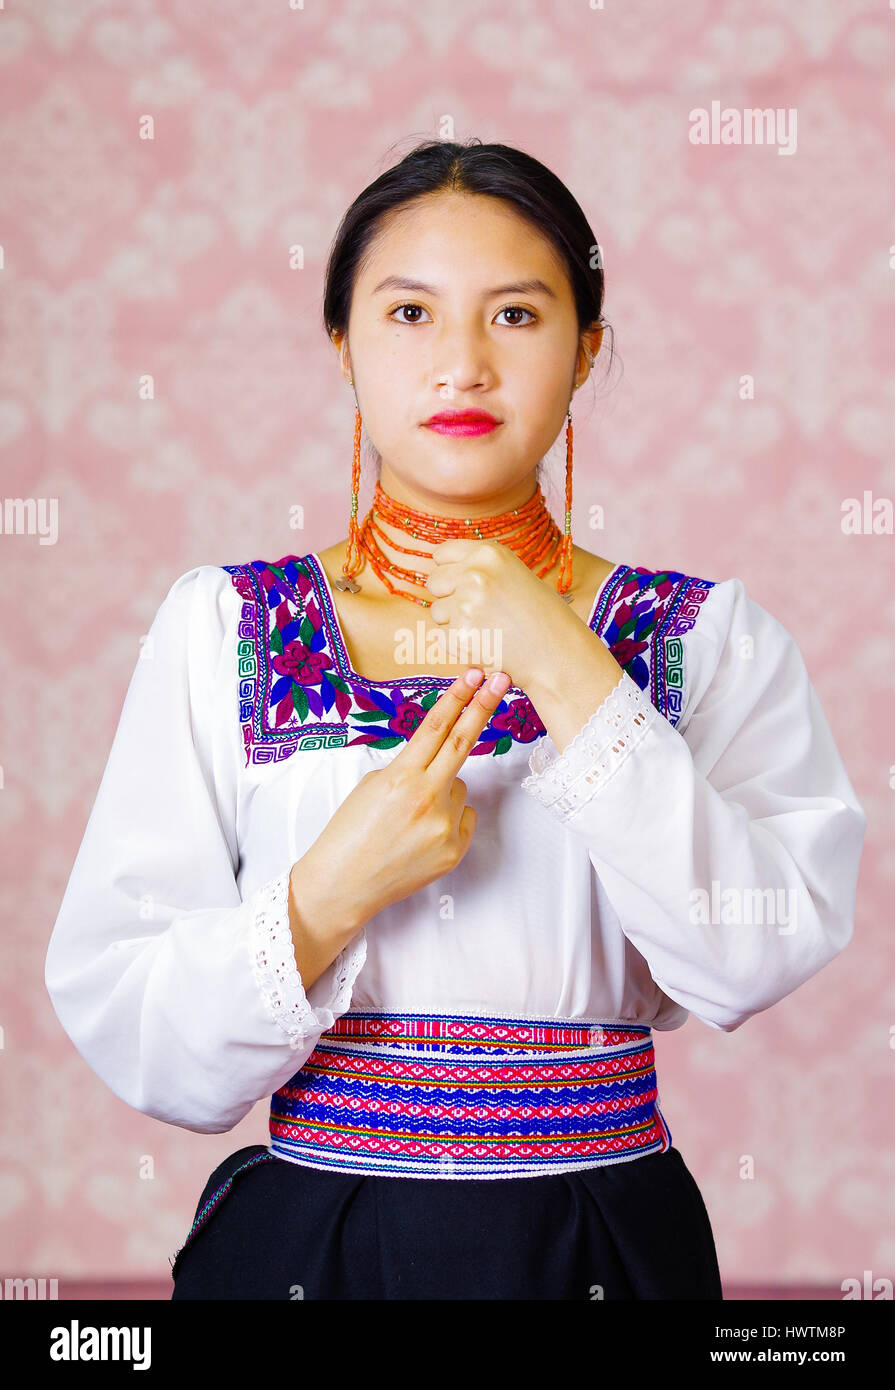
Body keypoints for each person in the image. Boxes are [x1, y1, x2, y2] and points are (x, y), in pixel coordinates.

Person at [45, 139, 866, 1301]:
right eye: (411, 313)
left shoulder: (706, 638)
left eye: (518, 316)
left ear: (587, 349)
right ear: (342, 345)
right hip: (313, 1242)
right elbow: (138, 1031)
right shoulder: (224, 628)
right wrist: (327, 891)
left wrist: (556, 652)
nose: (462, 366)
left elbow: (754, 952)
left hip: (603, 1241)